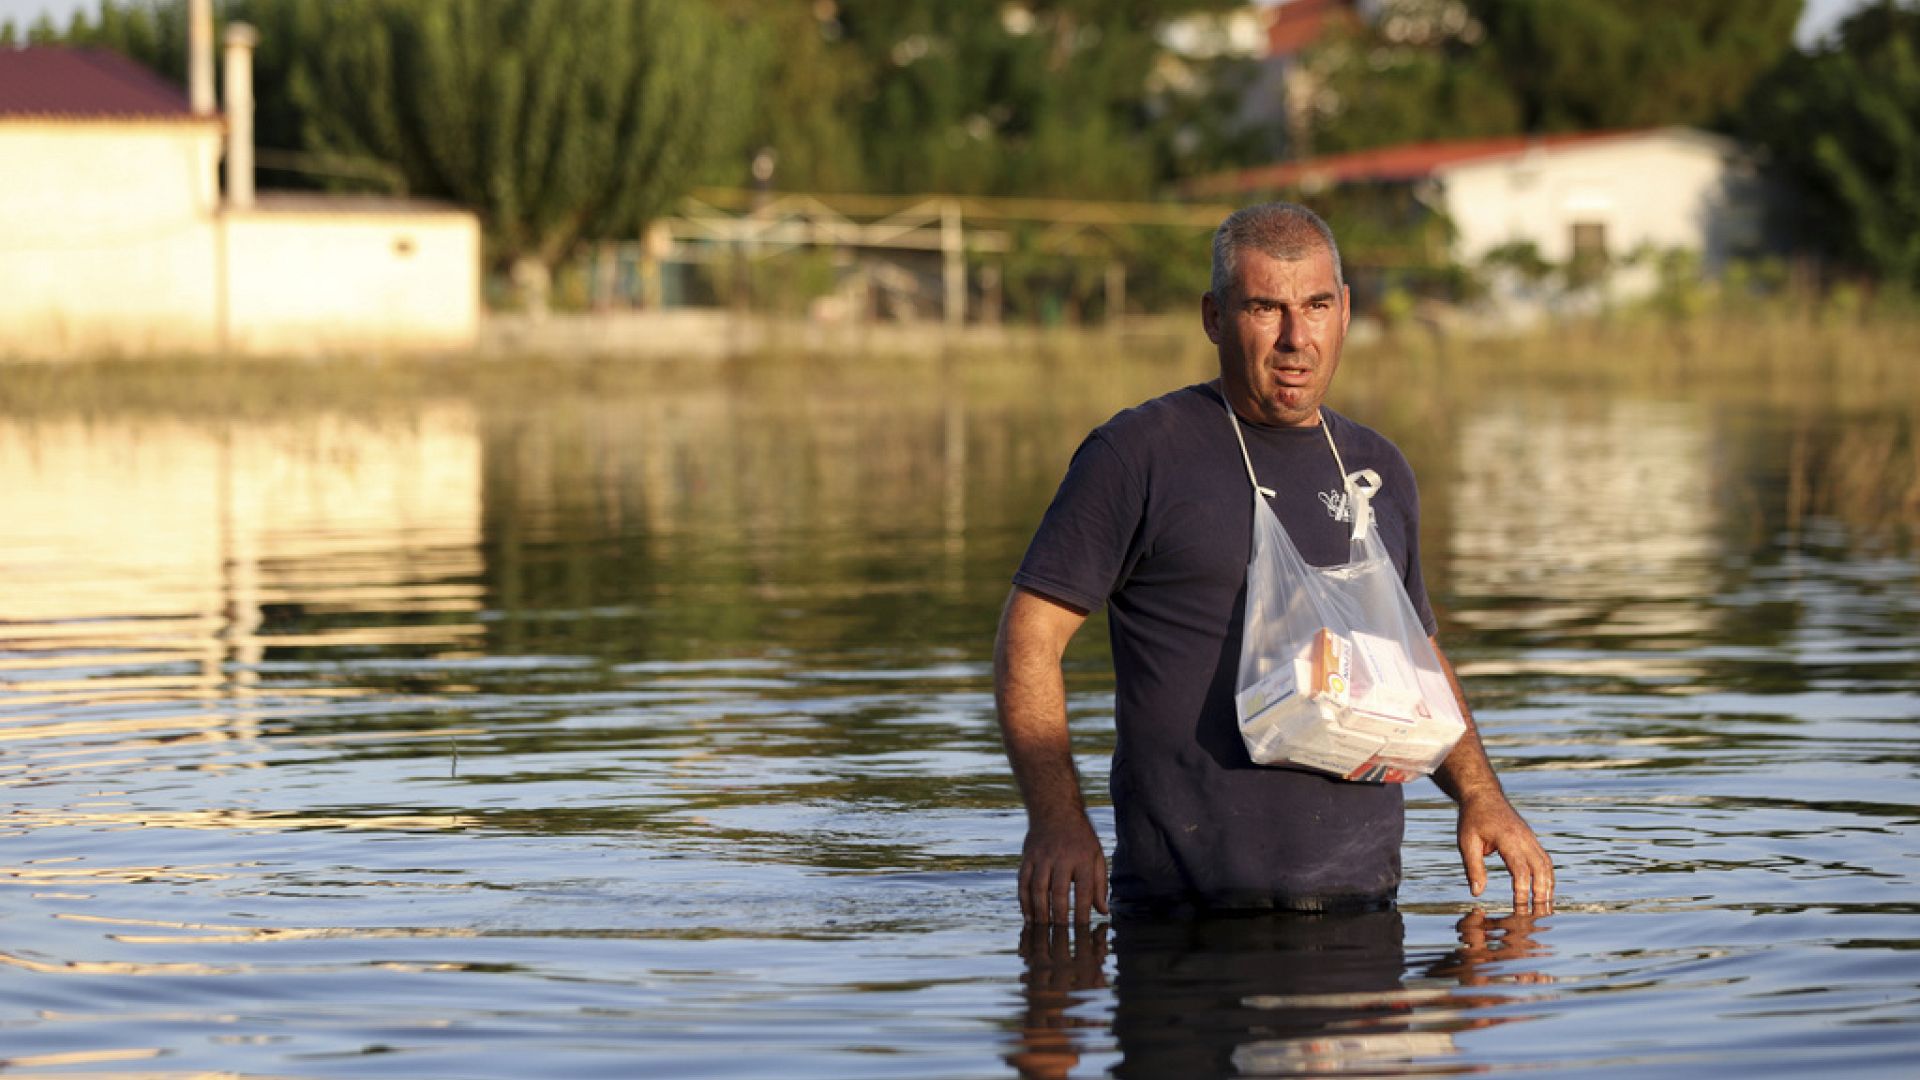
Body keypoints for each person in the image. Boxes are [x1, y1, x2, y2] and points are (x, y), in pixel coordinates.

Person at [994, 201, 1553, 924]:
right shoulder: (1138, 455)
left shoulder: (1377, 467)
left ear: (1344, 311)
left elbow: (1417, 654)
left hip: (1364, 913)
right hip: (1184, 919)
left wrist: (1481, 796)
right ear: (1214, 317)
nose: (1296, 338)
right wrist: (1057, 820)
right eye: (1265, 308)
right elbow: (1030, 637)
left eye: (1316, 306)